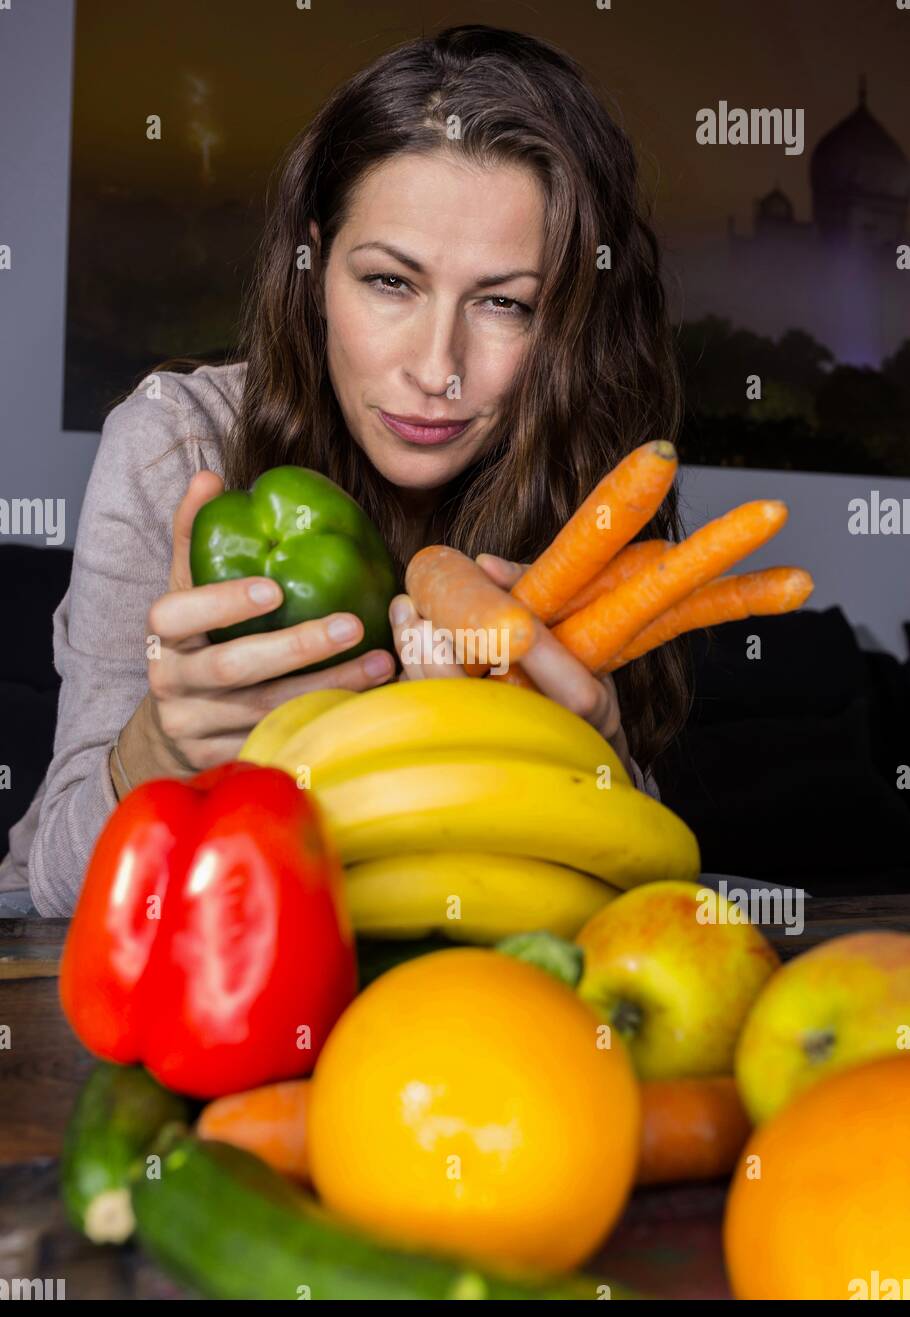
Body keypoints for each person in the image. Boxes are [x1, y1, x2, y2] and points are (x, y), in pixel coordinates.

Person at [0, 24, 691, 919]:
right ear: (317, 262)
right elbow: (54, 885)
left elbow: (639, 896)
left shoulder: (583, 484)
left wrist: (594, 758)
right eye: (391, 284)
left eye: (504, 303)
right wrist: (158, 754)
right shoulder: (179, 446)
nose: (436, 369)